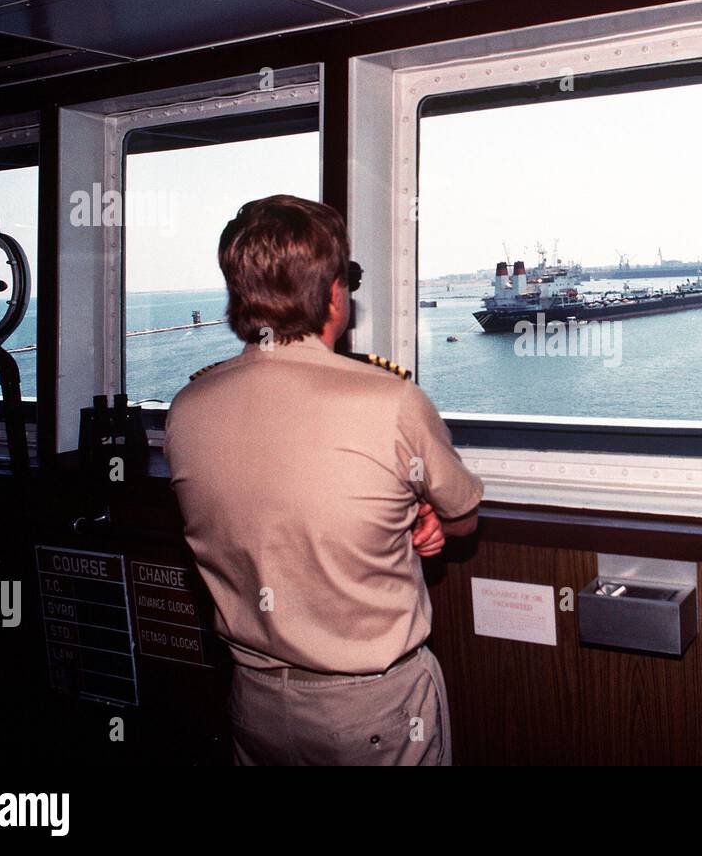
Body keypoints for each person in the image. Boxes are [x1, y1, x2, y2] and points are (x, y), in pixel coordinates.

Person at [164, 195, 482, 765]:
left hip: (253, 701)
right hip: (372, 712)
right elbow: (463, 518)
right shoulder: (389, 403)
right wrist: (426, 519)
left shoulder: (187, 409)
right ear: (333, 291)